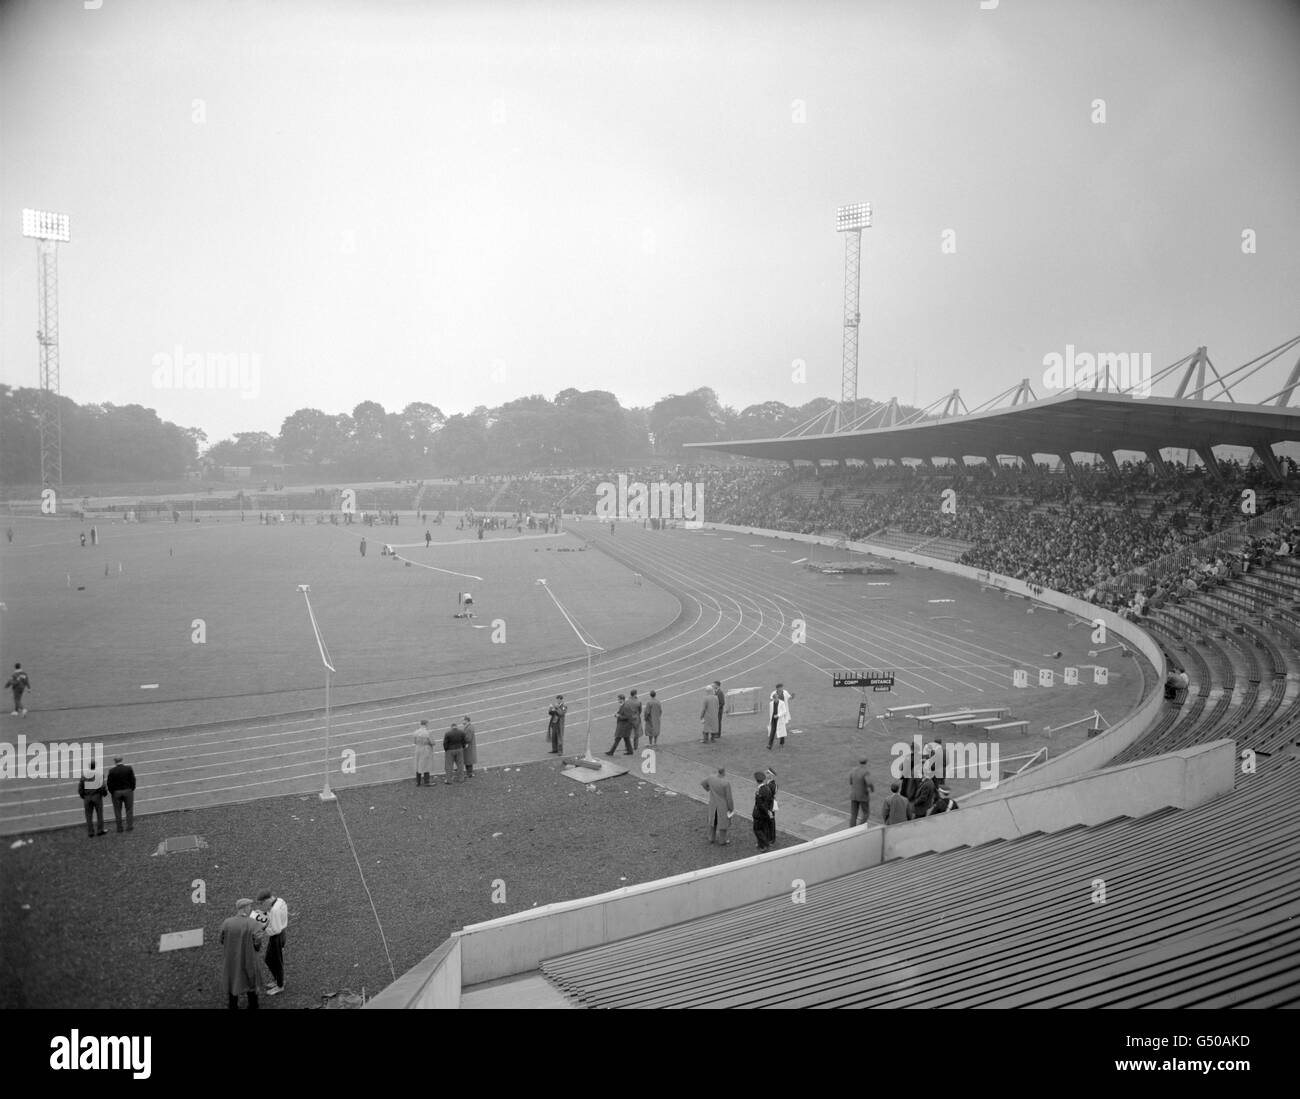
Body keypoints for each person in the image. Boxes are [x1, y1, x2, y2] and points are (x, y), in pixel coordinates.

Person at [220, 899, 262, 1009]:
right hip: (249, 958)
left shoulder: (227, 922)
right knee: (251, 981)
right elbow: (257, 942)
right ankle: (253, 1005)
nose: (250, 909)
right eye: (249, 907)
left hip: (232, 959)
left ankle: (233, 1005)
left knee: (233, 979)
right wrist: (256, 947)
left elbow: (222, 939)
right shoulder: (253, 923)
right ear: (244, 908)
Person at [256, 889, 289, 995]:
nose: (262, 905)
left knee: (276, 962)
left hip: (277, 937)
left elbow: (275, 930)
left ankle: (280, 985)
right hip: (282, 934)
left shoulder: (274, 910)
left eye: (262, 902)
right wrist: (264, 914)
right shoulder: (280, 901)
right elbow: (275, 917)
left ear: (267, 899)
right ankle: (278, 980)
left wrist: (263, 926)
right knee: (270, 959)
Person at [700, 767, 734, 846]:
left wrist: (709, 789)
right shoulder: (726, 783)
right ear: (724, 772)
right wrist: (731, 808)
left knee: (712, 821)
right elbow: (729, 798)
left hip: (713, 804)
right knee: (723, 823)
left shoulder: (711, 778)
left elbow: (703, 783)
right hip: (722, 806)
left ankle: (711, 838)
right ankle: (722, 840)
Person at [106, 755, 136, 832]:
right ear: (122, 760)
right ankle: (129, 826)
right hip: (128, 791)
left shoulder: (112, 771)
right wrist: (131, 789)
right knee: (129, 810)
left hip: (116, 792)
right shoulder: (128, 769)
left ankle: (119, 828)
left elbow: (109, 784)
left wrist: (113, 792)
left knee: (117, 810)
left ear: (115, 761)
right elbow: (133, 780)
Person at [78, 762, 108, 838]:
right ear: (95, 766)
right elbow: (102, 786)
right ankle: (100, 830)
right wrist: (104, 793)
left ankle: (90, 832)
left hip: (87, 797)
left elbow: (80, 788)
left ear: (89, 767)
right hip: (97, 796)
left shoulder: (84, 776)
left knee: (88, 815)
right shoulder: (99, 775)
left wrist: (83, 796)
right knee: (99, 814)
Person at [752, 770, 777, 851]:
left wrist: (767, 811)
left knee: (757, 829)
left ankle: (765, 844)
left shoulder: (760, 790)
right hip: (764, 813)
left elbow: (760, 805)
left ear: (756, 781)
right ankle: (761, 844)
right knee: (763, 829)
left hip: (759, 814)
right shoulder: (766, 788)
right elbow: (770, 801)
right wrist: (769, 811)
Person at [848, 758, 874, 826]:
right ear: (866, 763)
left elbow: (850, 782)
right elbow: (869, 783)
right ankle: (860, 827)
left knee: (854, 814)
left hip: (853, 795)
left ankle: (852, 829)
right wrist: (872, 789)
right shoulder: (865, 772)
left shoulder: (853, 770)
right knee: (866, 813)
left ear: (859, 762)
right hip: (863, 796)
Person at [767, 683, 793, 750]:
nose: (781, 688)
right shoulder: (771, 703)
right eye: (774, 698)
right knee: (772, 731)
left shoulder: (782, 703)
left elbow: (784, 711)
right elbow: (771, 711)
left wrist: (778, 715)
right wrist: (772, 717)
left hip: (780, 717)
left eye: (782, 687)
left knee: (782, 730)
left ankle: (782, 743)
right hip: (773, 718)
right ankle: (770, 745)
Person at [413, 720, 434, 786]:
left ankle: (418, 782)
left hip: (418, 748)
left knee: (418, 764)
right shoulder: (427, 732)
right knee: (426, 765)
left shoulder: (416, 732)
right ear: (426, 724)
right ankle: (426, 782)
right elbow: (432, 742)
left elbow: (415, 742)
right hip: (425, 749)